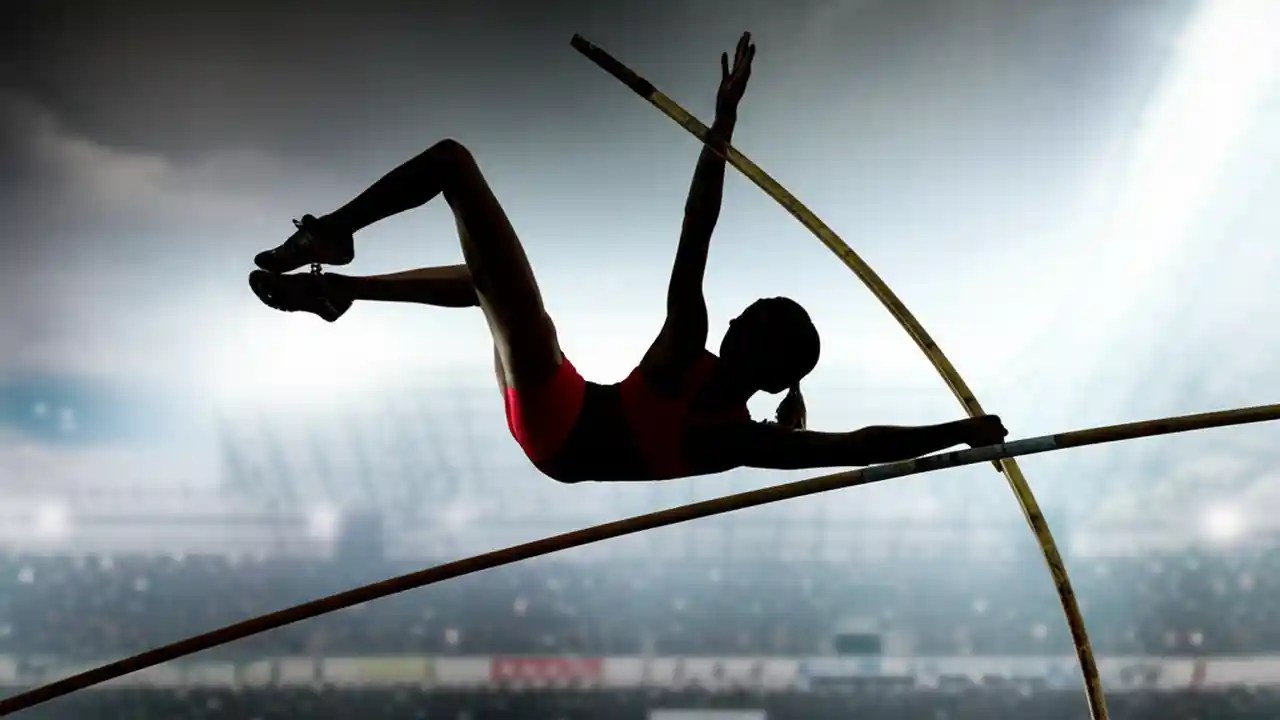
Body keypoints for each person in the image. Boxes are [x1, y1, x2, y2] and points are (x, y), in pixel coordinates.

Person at [248, 32, 1008, 483]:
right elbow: (848, 447)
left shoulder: (692, 354)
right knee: (488, 287)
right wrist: (960, 431)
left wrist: (721, 128)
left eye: (758, 318)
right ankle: (346, 289)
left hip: (560, 413)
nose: (740, 312)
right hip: (561, 425)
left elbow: (696, 227)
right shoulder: (746, 438)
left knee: (452, 164)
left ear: (768, 359)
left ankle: (334, 234)